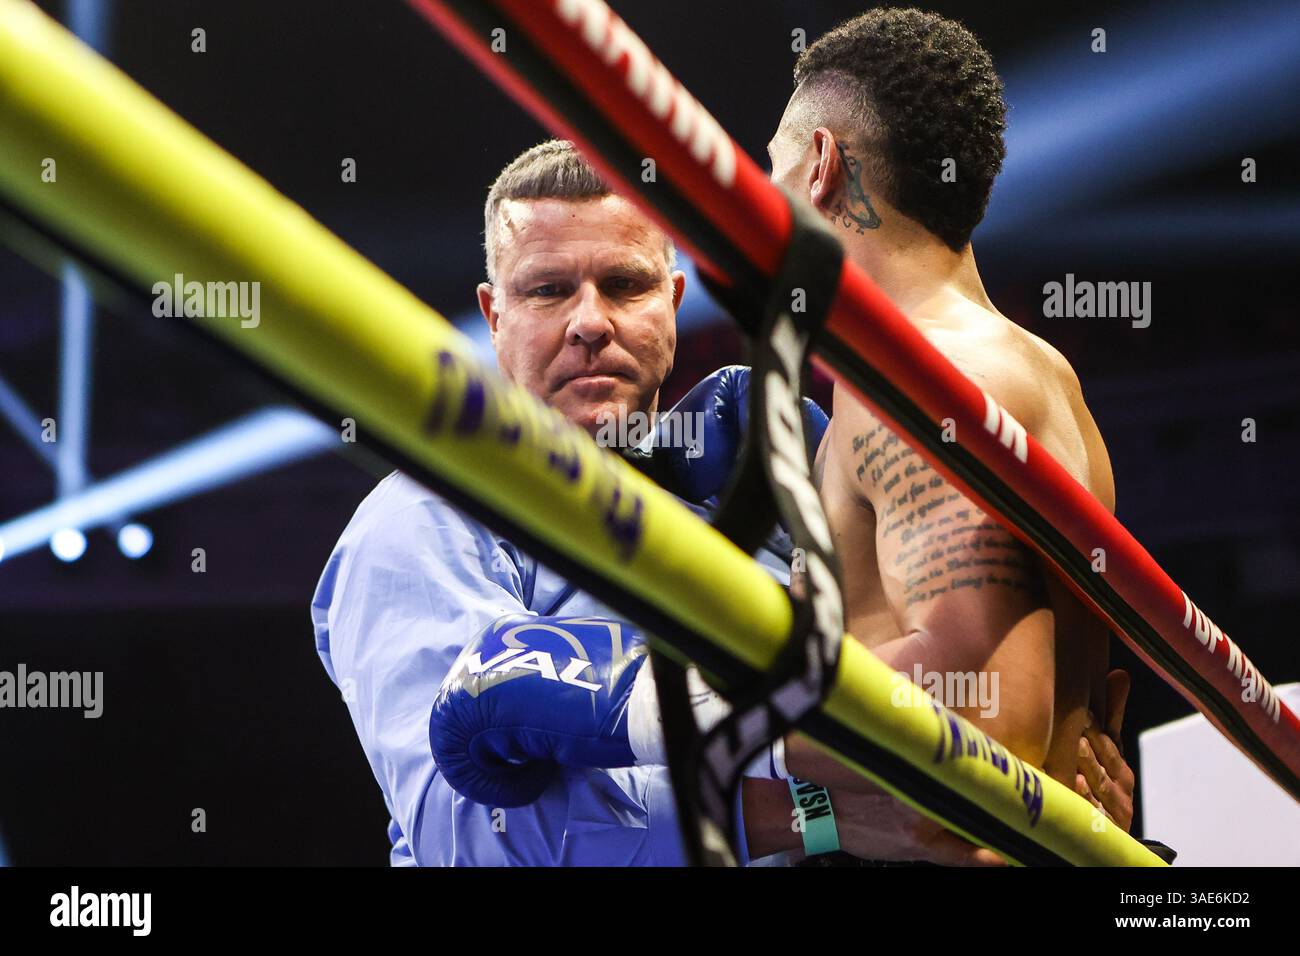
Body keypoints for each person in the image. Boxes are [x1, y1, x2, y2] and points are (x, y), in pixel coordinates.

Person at [311, 137, 1131, 866]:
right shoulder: (423, 521)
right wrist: (815, 816)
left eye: (623, 284)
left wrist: (1061, 797)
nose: (589, 321)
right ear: (495, 316)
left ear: (671, 302)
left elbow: (942, 697)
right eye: (549, 291)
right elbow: (468, 834)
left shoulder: (768, 491)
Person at [765, 8, 1134, 827]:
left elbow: (987, 713)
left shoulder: (920, 383)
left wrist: (693, 708)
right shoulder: (1041, 371)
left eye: (772, 170)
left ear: (821, 165)